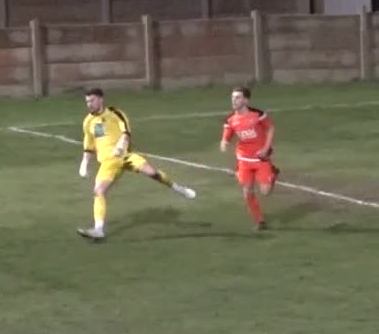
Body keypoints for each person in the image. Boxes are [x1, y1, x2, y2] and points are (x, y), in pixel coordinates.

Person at [76, 87, 196, 241]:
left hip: (125, 156)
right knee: (98, 191)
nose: (89, 104)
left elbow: (126, 131)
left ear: (101, 99)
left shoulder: (115, 113)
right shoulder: (88, 122)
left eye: (92, 100)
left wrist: (121, 144)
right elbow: (89, 144)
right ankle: (98, 229)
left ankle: (179, 189)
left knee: (153, 173)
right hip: (108, 163)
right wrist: (84, 163)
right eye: (87, 101)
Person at [220, 83, 278, 231]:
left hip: (260, 158)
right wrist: (224, 142)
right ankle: (260, 221)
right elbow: (227, 133)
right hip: (243, 160)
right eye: (233, 98)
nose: (234, 101)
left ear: (246, 101)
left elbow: (270, 128)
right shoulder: (230, 119)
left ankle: (273, 173)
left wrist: (266, 148)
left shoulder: (258, 115)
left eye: (238, 98)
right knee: (247, 192)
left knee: (265, 192)